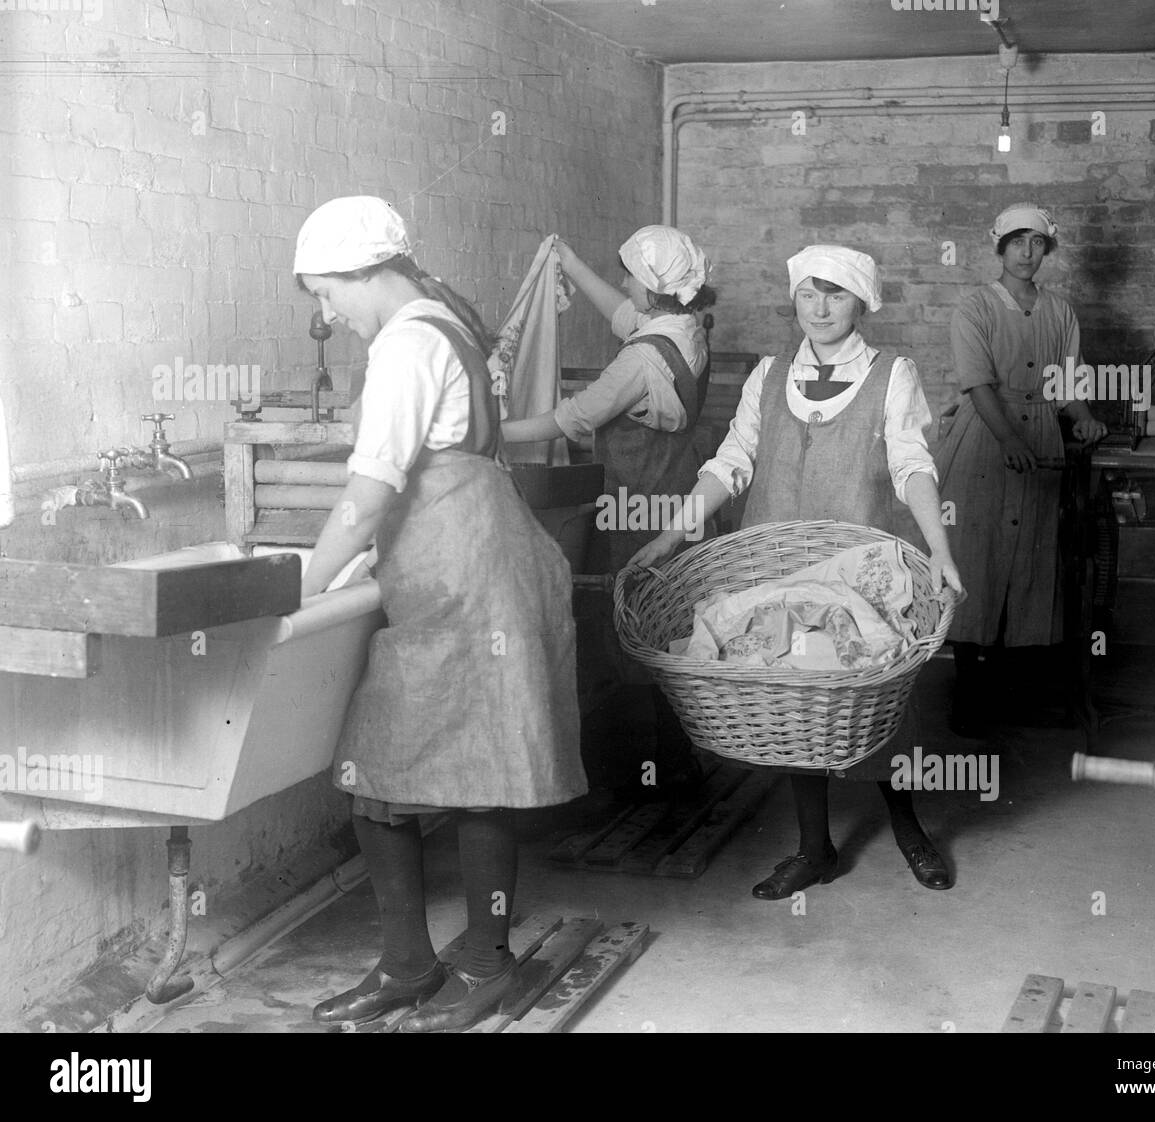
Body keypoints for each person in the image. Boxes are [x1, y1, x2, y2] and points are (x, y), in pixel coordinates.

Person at [293, 197, 585, 1032]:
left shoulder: (407, 346)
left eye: (325, 292)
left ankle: (477, 964)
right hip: (464, 569)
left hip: (469, 576)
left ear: (365, 273)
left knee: (430, 771)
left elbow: (366, 497)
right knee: (416, 771)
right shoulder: (441, 323)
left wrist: (301, 589)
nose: (327, 312)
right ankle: (416, 965)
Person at [629, 245, 964, 899]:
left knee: (878, 700)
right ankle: (814, 848)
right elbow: (731, 462)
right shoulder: (768, 373)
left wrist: (940, 550)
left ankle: (907, 826)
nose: (819, 308)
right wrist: (671, 535)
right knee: (798, 702)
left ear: (862, 301)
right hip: (779, 563)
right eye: (808, 294)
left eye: (835, 295)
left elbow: (912, 464)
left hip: (859, 567)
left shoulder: (892, 374)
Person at [501, 225, 715, 799]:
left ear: (650, 287)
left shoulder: (641, 360)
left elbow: (576, 417)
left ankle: (661, 768)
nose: (624, 284)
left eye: (630, 276)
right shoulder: (684, 330)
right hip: (677, 493)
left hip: (640, 506)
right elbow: (622, 313)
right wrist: (568, 260)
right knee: (672, 629)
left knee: (642, 633)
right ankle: (677, 760)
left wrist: (493, 433)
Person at [935, 204, 1107, 737]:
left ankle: (1009, 694)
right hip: (985, 436)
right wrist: (1008, 438)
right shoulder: (976, 307)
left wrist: (1083, 418)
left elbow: (1069, 381)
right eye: (1017, 243)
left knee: (1031, 565)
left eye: (1037, 243)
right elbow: (977, 383)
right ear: (1000, 248)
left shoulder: (1060, 310)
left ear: (1047, 250)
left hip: (1041, 435)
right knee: (977, 562)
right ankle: (967, 695)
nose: (1027, 253)